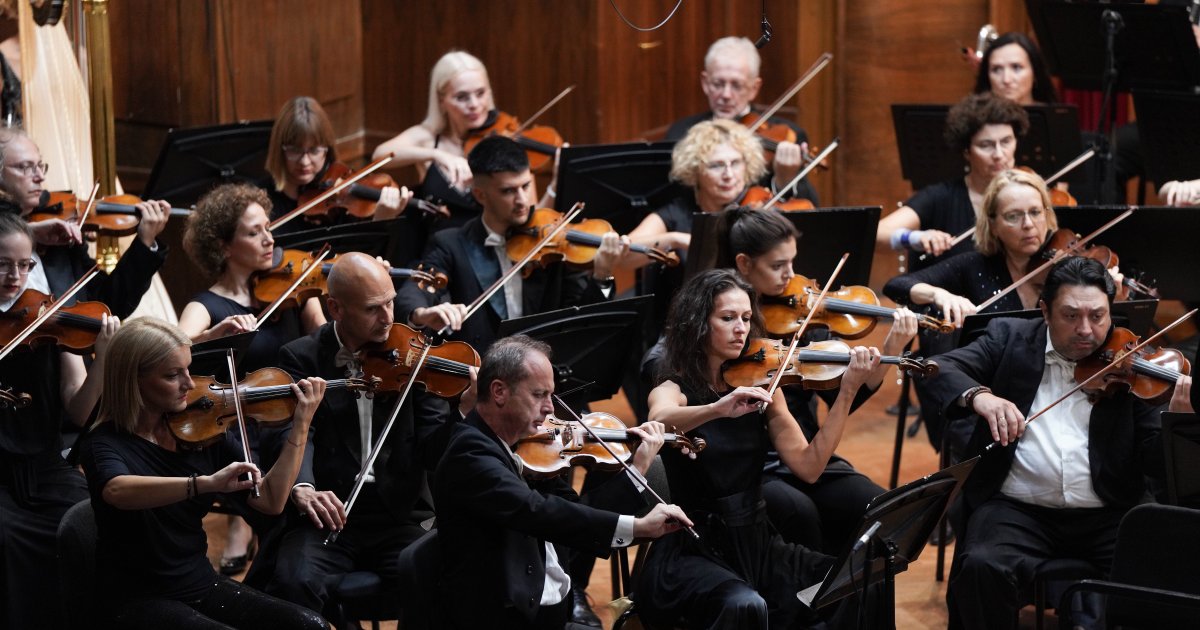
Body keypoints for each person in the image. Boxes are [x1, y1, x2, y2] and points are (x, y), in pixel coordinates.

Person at [920, 256, 1192, 630]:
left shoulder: (1133, 364)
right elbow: (938, 368)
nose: (1086, 330)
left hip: (1110, 509)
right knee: (982, 565)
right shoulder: (1008, 337)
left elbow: (1156, 465)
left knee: (1159, 572)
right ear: (1045, 311)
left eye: (1098, 316)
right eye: (1070, 316)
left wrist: (1176, 423)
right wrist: (981, 397)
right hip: (1017, 509)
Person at [635, 268, 879, 629]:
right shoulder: (675, 383)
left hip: (758, 541)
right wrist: (719, 407)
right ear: (699, 322)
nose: (741, 328)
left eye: (747, 318)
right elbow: (663, 416)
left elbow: (809, 465)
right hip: (694, 547)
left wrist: (847, 392)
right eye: (728, 317)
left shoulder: (763, 384)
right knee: (743, 604)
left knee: (859, 578)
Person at [76, 317, 328, 630]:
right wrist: (205, 484)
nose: (189, 383)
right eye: (172, 375)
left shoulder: (203, 430)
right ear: (134, 379)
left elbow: (271, 502)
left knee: (309, 625)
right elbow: (117, 490)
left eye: (188, 368)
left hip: (199, 583)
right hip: (134, 599)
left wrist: (301, 425)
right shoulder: (103, 443)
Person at [430, 333, 692, 629]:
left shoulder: (522, 449)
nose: (550, 409)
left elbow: (574, 515)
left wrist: (637, 466)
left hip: (548, 615)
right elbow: (536, 511)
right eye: (539, 394)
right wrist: (637, 526)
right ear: (499, 392)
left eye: (550, 395)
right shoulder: (470, 453)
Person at [263, 252, 457, 621]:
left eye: (391, 303)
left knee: (443, 575)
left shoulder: (413, 354)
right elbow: (292, 429)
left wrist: (463, 411)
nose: (389, 319)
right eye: (373, 309)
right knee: (292, 582)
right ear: (335, 308)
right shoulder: (300, 357)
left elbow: (435, 448)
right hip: (327, 513)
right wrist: (302, 487)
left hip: (399, 515)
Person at [717, 207, 916, 551]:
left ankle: (854, 602)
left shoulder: (801, 321)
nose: (789, 275)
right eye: (777, 266)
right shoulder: (717, 314)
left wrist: (892, 345)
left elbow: (852, 396)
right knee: (802, 515)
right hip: (751, 461)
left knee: (877, 508)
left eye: (791, 263)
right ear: (744, 264)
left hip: (806, 450)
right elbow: (664, 358)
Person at [177, 183, 326, 575]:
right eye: (253, 232)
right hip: (243, 428)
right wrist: (213, 335)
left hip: (302, 415)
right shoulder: (206, 304)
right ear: (224, 247)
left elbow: (326, 339)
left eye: (268, 228)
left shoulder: (292, 286)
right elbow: (173, 350)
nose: (269, 239)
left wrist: (335, 288)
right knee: (284, 517)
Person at [397, 135, 625, 353]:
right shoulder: (451, 244)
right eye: (508, 191)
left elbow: (584, 321)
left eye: (525, 186)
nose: (523, 200)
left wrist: (603, 275)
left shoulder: (554, 240)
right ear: (480, 195)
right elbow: (416, 287)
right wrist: (421, 313)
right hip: (481, 375)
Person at [0, 211, 117, 629]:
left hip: (46, 466)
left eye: (25, 264)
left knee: (98, 517)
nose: (16, 276)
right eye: (3, 264)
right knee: (7, 540)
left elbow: (79, 410)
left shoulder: (51, 322)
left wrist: (102, 362)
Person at [0, 128, 170, 319]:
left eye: (40, 166)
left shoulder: (61, 235)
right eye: (25, 167)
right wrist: (28, 233)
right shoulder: (33, 231)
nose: (40, 176)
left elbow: (107, 304)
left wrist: (144, 243)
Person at [373, 51, 556, 221]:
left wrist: (554, 186)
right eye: (462, 97)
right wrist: (436, 155)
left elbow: (532, 218)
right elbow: (380, 156)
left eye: (480, 93)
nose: (474, 104)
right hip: (437, 250)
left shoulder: (506, 143)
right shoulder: (428, 138)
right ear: (441, 100)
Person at [884, 168, 1062, 328]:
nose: (1028, 224)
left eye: (1035, 212)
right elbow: (896, 286)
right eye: (1013, 216)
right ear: (993, 225)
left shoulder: (1066, 266)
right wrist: (938, 295)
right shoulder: (975, 265)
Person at [875, 93, 1029, 270]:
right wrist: (916, 238)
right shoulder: (940, 197)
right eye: (986, 145)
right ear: (966, 151)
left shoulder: (1030, 195)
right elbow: (877, 234)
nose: (999, 154)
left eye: (1006, 142)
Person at [665, 36, 818, 204]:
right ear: (705, 83)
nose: (726, 95)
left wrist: (785, 180)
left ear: (754, 88)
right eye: (718, 83)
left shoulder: (789, 134)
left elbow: (808, 206)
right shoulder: (681, 133)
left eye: (737, 85)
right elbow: (671, 199)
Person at [263, 96, 411, 234]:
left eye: (314, 150)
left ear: (327, 149)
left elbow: (361, 254)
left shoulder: (342, 204)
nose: (304, 162)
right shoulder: (262, 201)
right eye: (295, 150)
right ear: (279, 149)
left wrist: (382, 220)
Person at [972, 32, 1058, 106]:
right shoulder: (973, 121)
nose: (1006, 79)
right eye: (997, 70)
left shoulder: (1057, 120)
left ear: (1035, 73)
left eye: (1016, 67)